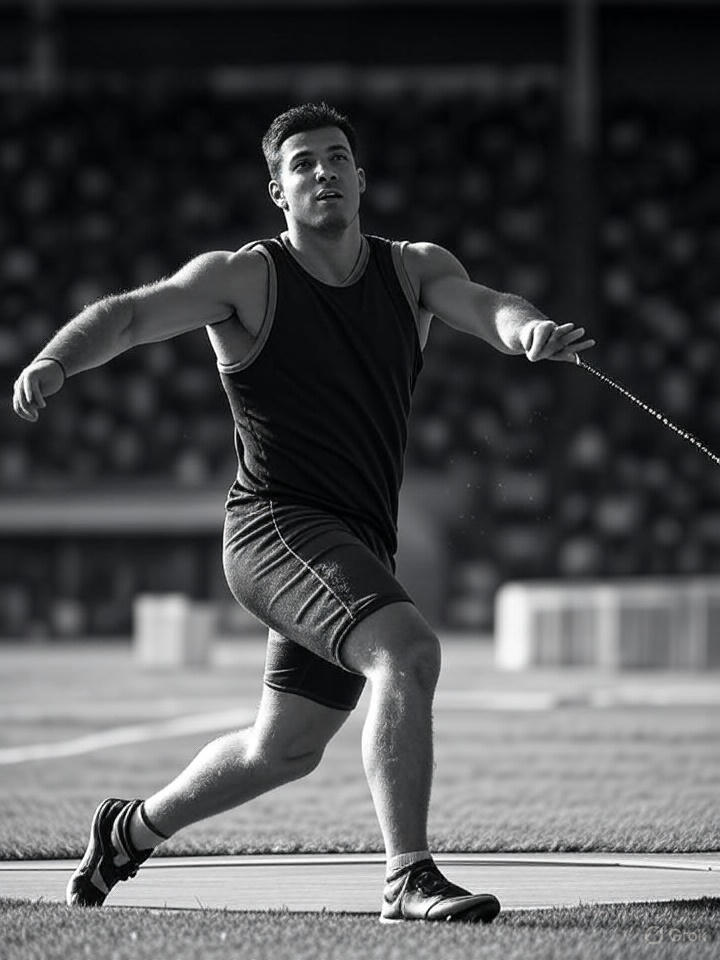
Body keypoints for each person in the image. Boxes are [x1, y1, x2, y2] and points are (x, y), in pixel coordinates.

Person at [12, 101, 595, 923]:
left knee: (283, 750)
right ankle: (408, 878)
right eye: (303, 164)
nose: (324, 172)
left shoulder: (413, 270)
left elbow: (487, 303)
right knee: (407, 651)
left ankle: (127, 831)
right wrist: (55, 360)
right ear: (278, 193)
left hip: (357, 540)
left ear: (361, 178)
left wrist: (526, 331)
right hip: (274, 527)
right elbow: (134, 314)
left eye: (337, 158)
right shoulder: (245, 278)